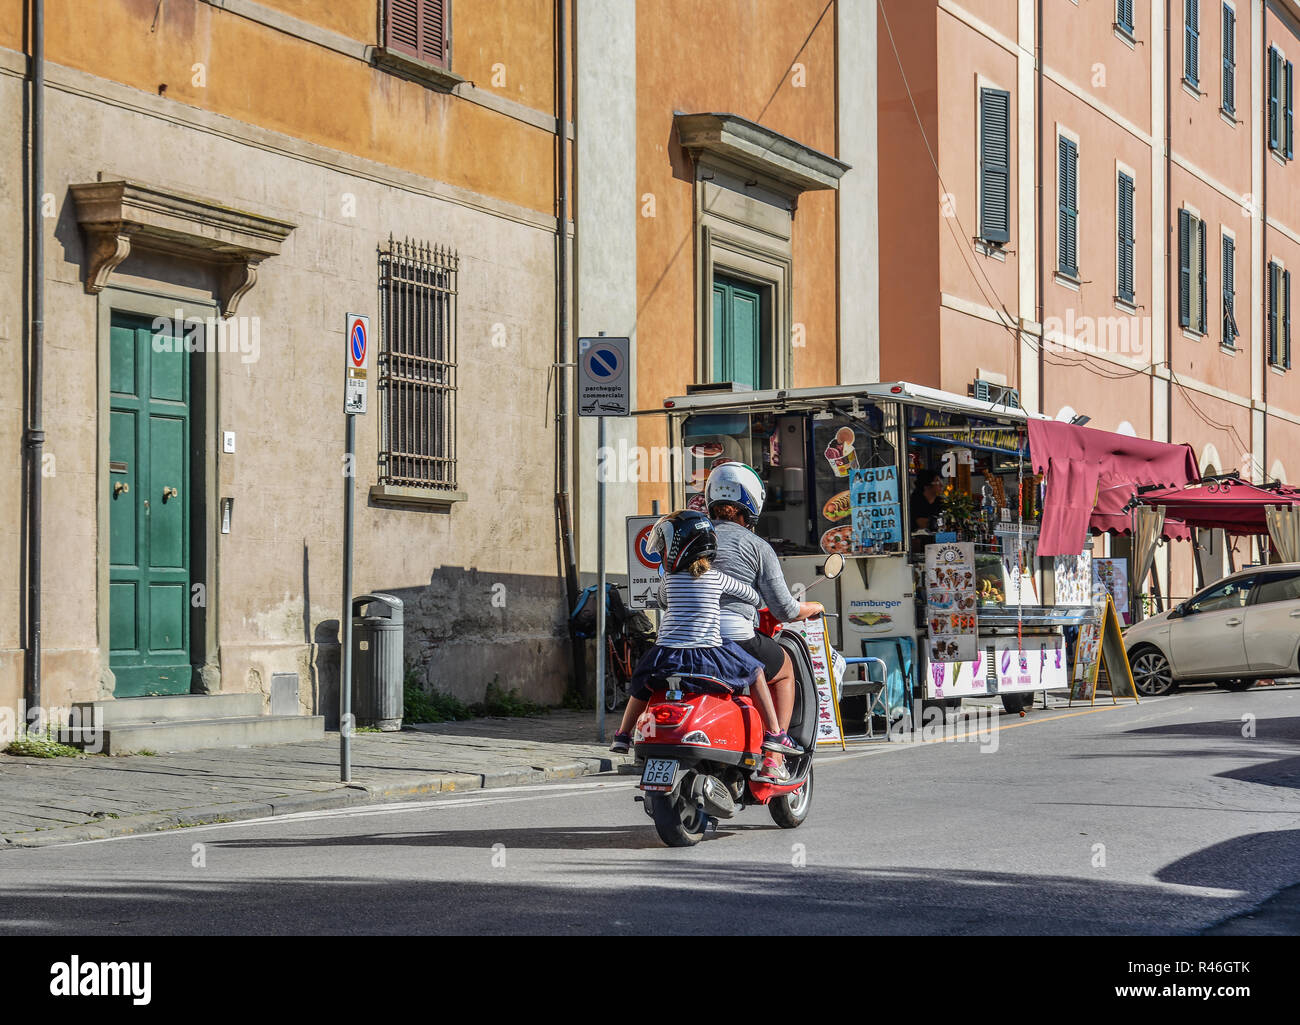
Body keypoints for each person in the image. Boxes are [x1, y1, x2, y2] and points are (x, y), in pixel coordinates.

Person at [607, 510, 789, 783]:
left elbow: (664, 601)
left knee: (640, 687)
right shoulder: (717, 579)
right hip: (708, 653)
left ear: (679, 549)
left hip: (665, 654)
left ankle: (622, 735)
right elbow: (752, 596)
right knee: (756, 672)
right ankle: (775, 733)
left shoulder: (668, 580)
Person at [704, 461, 826, 776]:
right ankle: (775, 754)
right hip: (736, 636)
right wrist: (811, 607)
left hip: (686, 639)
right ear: (751, 503)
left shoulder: (693, 540)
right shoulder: (758, 547)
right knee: (784, 669)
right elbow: (785, 610)